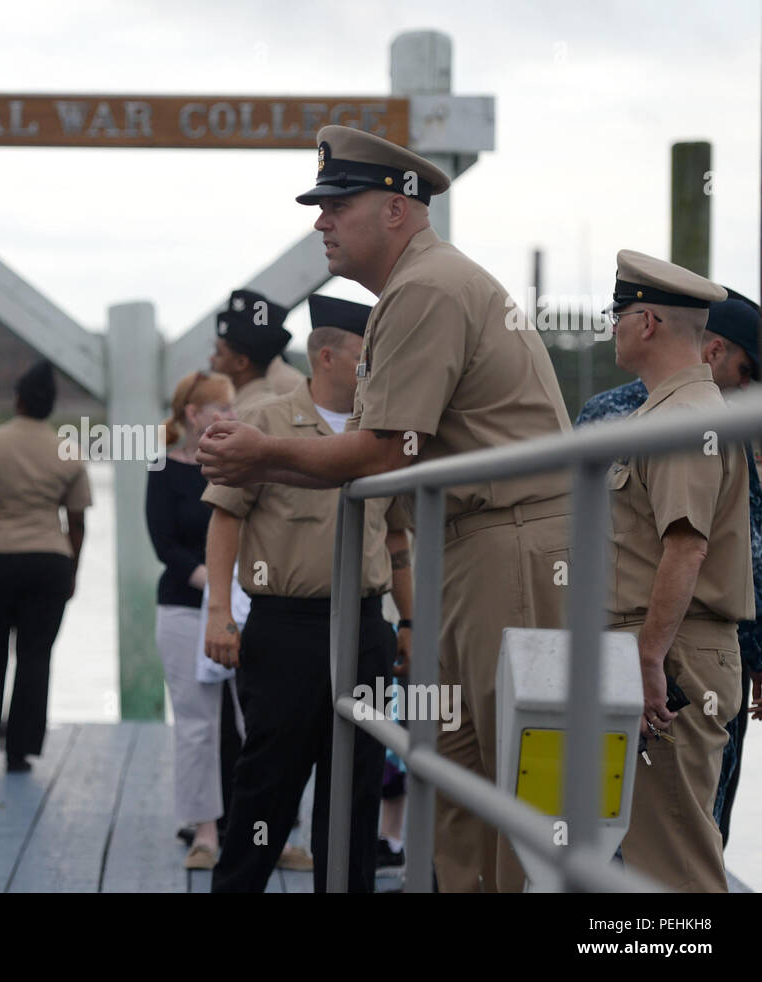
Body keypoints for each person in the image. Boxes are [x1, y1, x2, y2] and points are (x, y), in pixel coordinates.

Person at [198, 124, 574, 893]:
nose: (319, 221)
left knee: (512, 779)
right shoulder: (419, 288)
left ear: (398, 209)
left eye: (337, 202)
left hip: (511, 544)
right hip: (477, 544)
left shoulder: (427, 289)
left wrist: (260, 454)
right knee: (466, 776)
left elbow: (384, 449)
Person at [204, 295, 408, 893]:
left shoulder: (384, 434)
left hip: (367, 629)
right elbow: (225, 517)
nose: (379, 366)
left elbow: (397, 536)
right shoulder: (264, 423)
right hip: (286, 629)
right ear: (328, 355)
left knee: (357, 789)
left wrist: (412, 625)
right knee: (265, 785)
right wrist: (220, 614)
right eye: (368, 356)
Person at [577, 289, 762, 845]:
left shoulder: (708, 420)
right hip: (647, 648)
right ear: (714, 350)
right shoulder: (637, 416)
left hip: (682, 650)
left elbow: (723, 549)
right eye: (747, 369)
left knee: (682, 843)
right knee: (647, 839)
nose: (749, 385)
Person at [0, 360, 90, 772]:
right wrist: (73, 570)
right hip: (48, 561)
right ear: (51, 406)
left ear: (17, 399)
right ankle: (19, 751)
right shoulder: (68, 449)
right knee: (35, 657)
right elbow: (78, 522)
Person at [146, 369, 239, 868]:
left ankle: (255, 826)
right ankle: (205, 831)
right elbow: (164, 544)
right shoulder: (164, 468)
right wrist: (215, 582)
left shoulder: (239, 466)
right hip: (184, 605)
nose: (231, 415)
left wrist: (233, 593)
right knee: (197, 722)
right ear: (192, 415)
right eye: (221, 408)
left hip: (243, 605)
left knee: (254, 721)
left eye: (233, 406)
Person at [209, 289, 292, 416]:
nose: (211, 359)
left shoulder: (252, 414)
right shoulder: (243, 408)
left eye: (219, 353)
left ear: (241, 363)